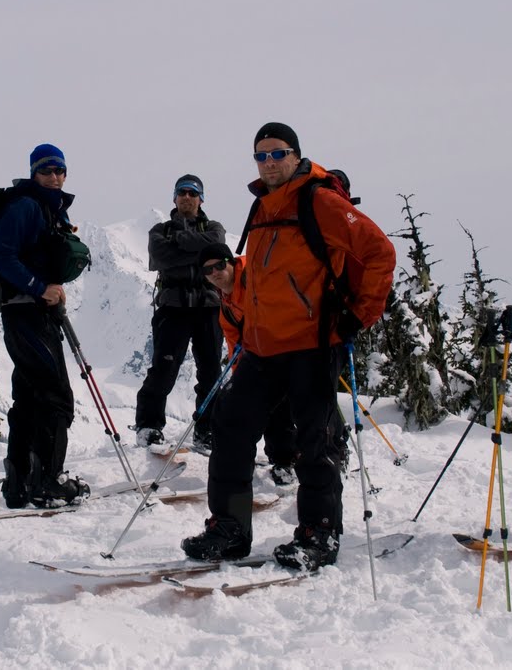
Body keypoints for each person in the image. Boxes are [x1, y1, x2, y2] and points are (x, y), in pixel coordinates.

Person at [182, 123, 396, 570]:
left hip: (312, 344)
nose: (269, 163)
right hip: (262, 347)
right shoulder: (261, 206)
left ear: (296, 156)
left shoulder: (320, 201)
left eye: (277, 153)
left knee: (312, 443)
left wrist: (359, 315)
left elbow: (379, 252)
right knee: (231, 427)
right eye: (261, 156)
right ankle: (230, 528)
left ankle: (319, 532)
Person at [0, 144, 92, 509]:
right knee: (55, 397)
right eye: (46, 170)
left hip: (30, 313)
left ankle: (18, 483)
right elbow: (1, 256)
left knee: (30, 396)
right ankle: (49, 481)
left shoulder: (44, 208)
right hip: (27, 312)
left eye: (59, 170)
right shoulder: (26, 206)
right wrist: (39, 288)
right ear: (34, 172)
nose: (53, 176)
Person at [134, 175, 227, 449]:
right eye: (182, 192)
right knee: (163, 369)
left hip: (208, 306)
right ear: (174, 198)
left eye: (192, 193)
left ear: (200, 199)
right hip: (173, 306)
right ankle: (148, 426)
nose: (187, 197)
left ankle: (207, 428)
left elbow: (218, 251)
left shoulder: (214, 227)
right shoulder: (159, 231)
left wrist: (180, 244)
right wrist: (200, 251)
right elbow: (160, 258)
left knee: (210, 371)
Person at [198, 242, 298, 484]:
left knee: (283, 406)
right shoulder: (226, 308)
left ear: (230, 263)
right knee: (247, 404)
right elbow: (234, 346)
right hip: (259, 355)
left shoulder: (254, 276)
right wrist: (241, 375)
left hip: (287, 344)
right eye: (207, 271)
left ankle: (287, 461)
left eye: (219, 266)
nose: (215, 274)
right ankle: (252, 461)